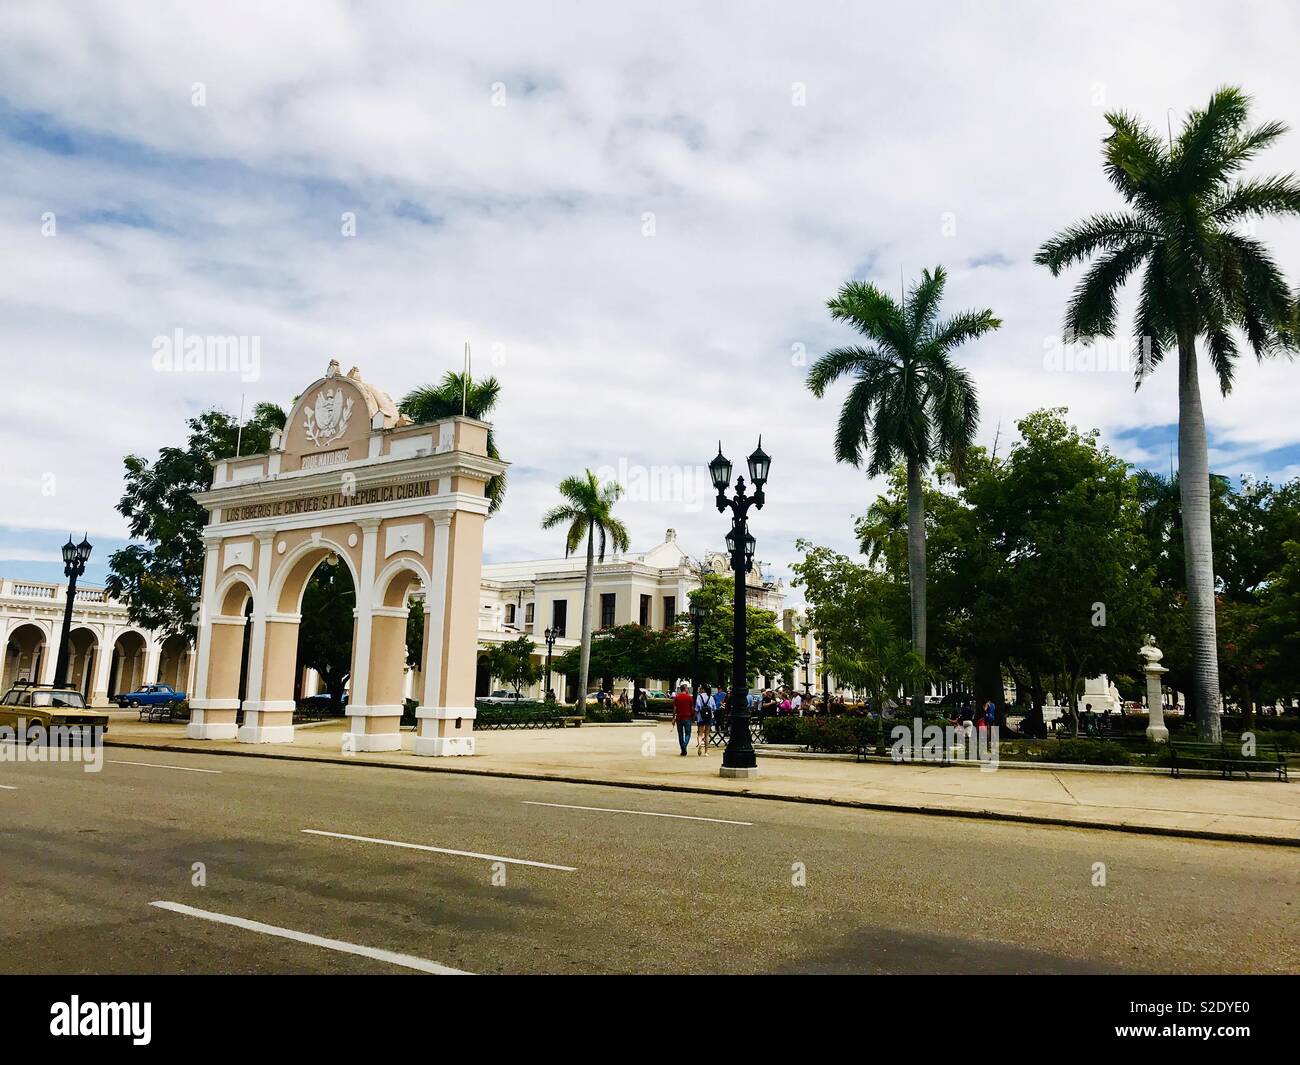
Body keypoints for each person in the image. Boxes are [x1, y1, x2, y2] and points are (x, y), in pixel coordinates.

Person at [672, 683, 694, 755]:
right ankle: (684, 745)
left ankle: (683, 750)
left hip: (679, 718)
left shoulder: (677, 697)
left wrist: (673, 717)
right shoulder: (689, 697)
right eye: (687, 688)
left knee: (680, 734)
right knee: (688, 733)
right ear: (685, 689)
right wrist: (692, 715)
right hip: (687, 717)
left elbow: (675, 708)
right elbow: (692, 708)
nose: (688, 689)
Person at [695, 685, 714, 755]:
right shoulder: (711, 697)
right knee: (707, 735)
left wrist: (695, 715)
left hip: (700, 717)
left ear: (703, 689)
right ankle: (706, 752)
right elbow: (714, 707)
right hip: (708, 718)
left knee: (700, 734)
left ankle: (700, 744)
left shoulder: (699, 697)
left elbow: (697, 708)